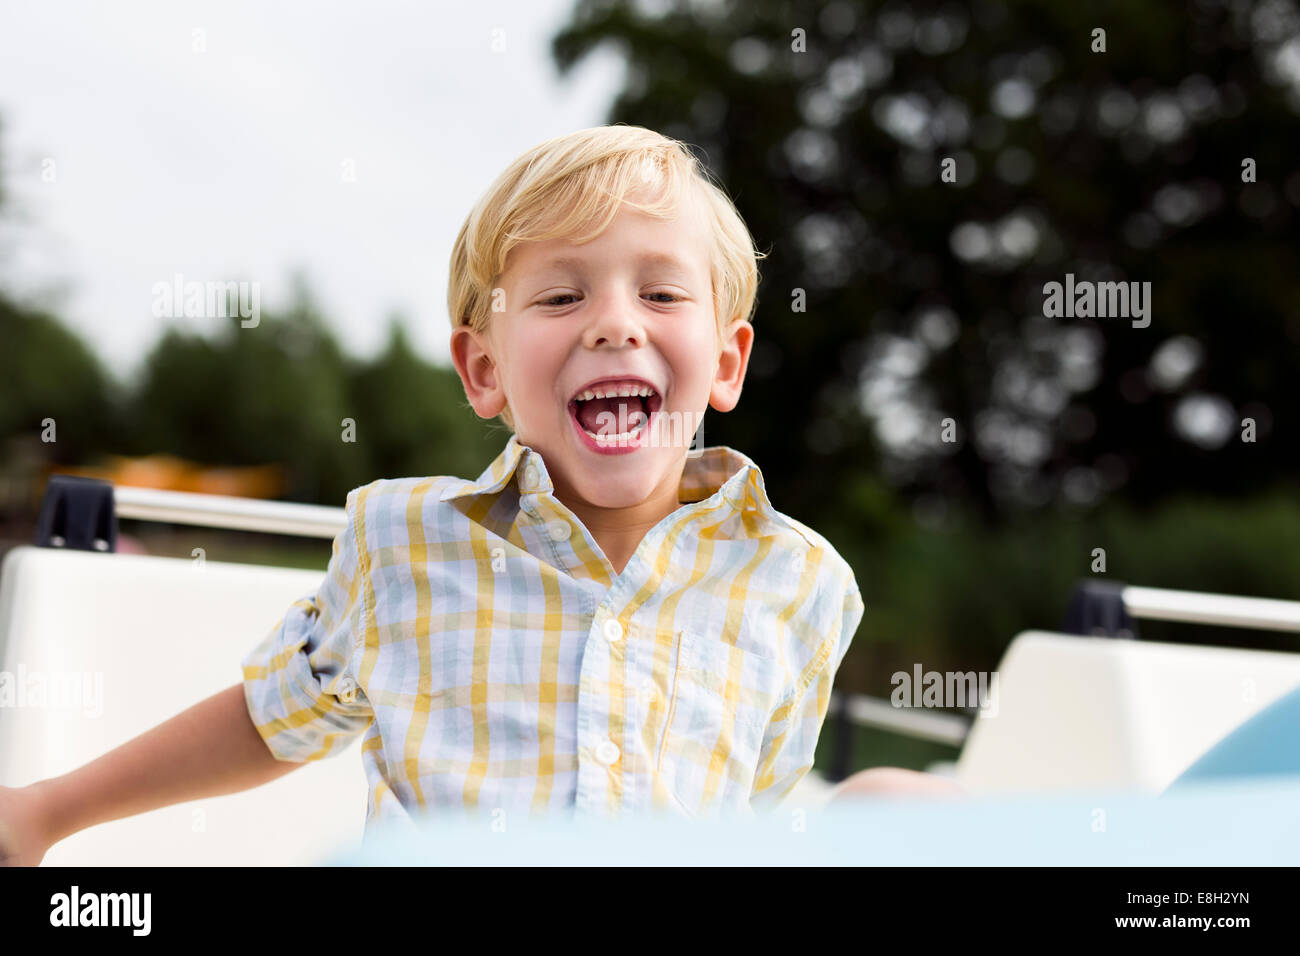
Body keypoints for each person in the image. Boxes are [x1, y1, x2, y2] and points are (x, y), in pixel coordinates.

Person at [0, 125, 959, 866]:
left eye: (662, 295)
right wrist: (49, 809)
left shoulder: (800, 584)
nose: (616, 324)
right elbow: (271, 717)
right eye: (560, 297)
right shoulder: (403, 546)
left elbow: (750, 818)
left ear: (726, 360)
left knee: (893, 800)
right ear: (484, 369)